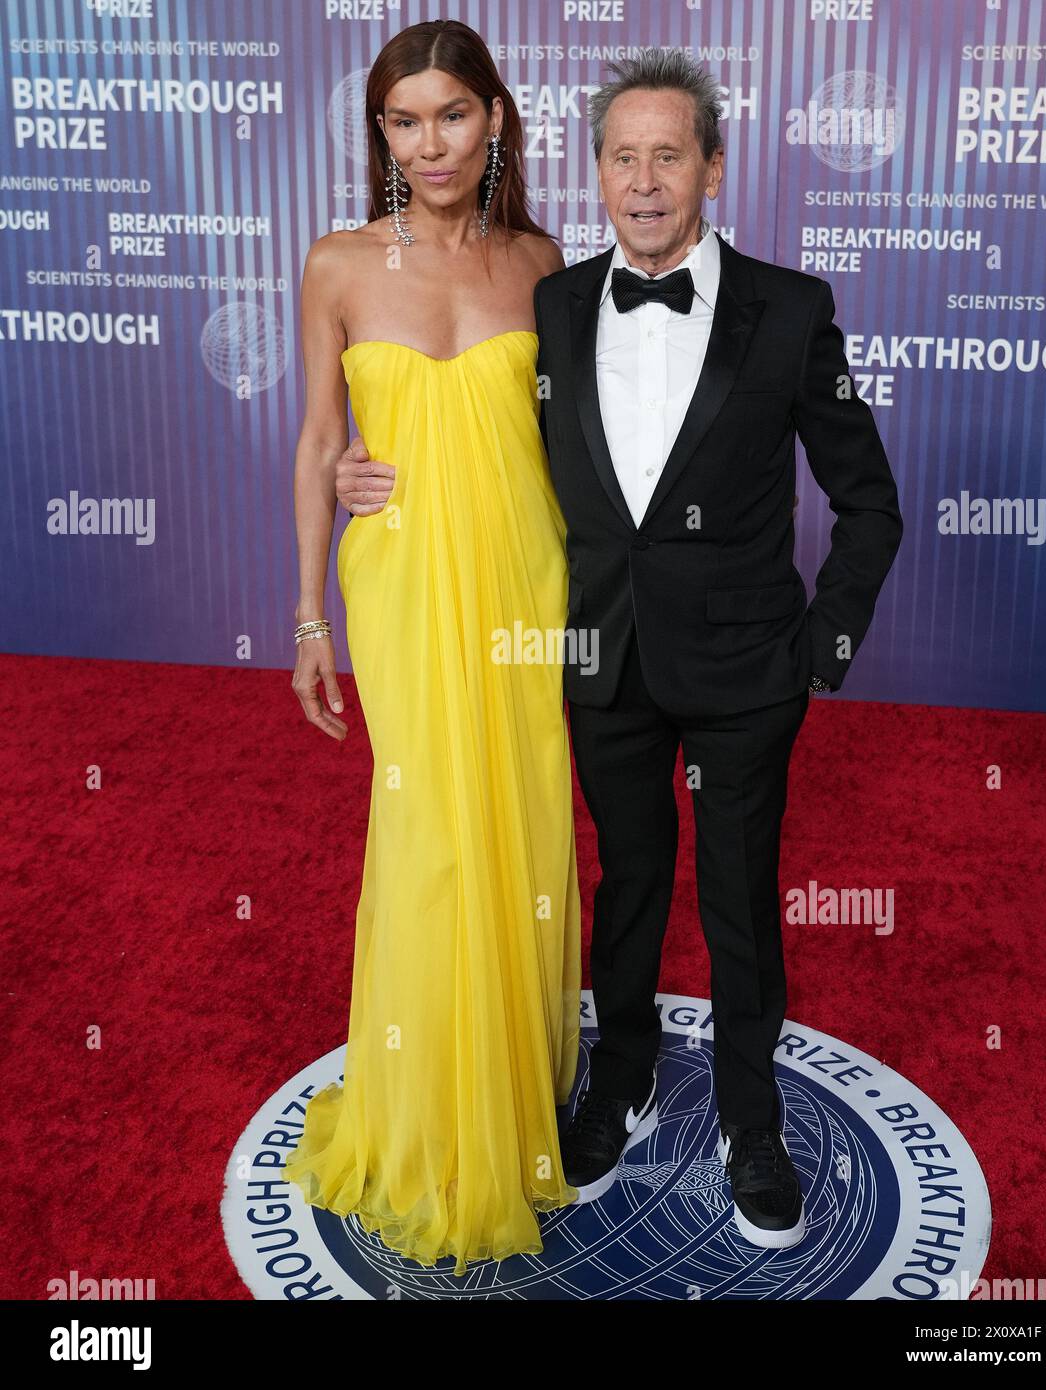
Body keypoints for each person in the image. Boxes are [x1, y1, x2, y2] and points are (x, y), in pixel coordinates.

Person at [530, 51, 903, 1248]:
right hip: (606, 662)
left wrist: (819, 647)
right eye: (620, 157)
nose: (642, 182)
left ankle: (752, 1120)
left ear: (712, 168)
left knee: (739, 902)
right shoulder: (553, 303)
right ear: (595, 171)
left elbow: (868, 502)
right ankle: (621, 1081)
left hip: (749, 673)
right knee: (625, 886)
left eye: (667, 155)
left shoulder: (789, 309)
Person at [282, 19, 580, 1275]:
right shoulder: (339, 264)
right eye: (402, 121)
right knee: (428, 835)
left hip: (523, 576)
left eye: (451, 114)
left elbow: (575, 445)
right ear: (381, 136)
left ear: (495, 118)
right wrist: (307, 616)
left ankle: (513, 1092)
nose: (429, 143)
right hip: (400, 583)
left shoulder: (542, 262)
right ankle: (423, 1112)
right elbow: (315, 442)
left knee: (520, 822)